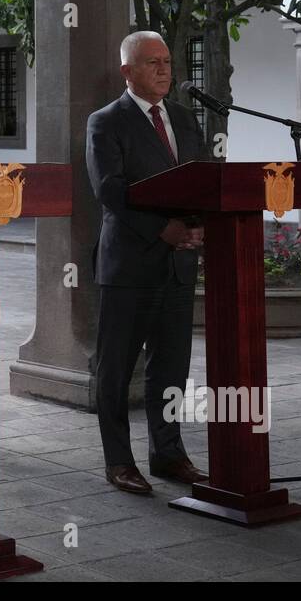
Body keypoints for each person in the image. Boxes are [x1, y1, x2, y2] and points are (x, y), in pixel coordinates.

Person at [85, 30, 211, 495]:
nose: (163, 69)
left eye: (166, 61)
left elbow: (199, 179)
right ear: (127, 71)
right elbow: (110, 189)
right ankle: (119, 461)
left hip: (178, 265)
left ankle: (168, 454)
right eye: (152, 62)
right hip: (129, 265)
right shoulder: (106, 121)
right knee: (116, 369)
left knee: (172, 367)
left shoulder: (183, 116)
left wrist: (198, 226)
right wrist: (163, 229)